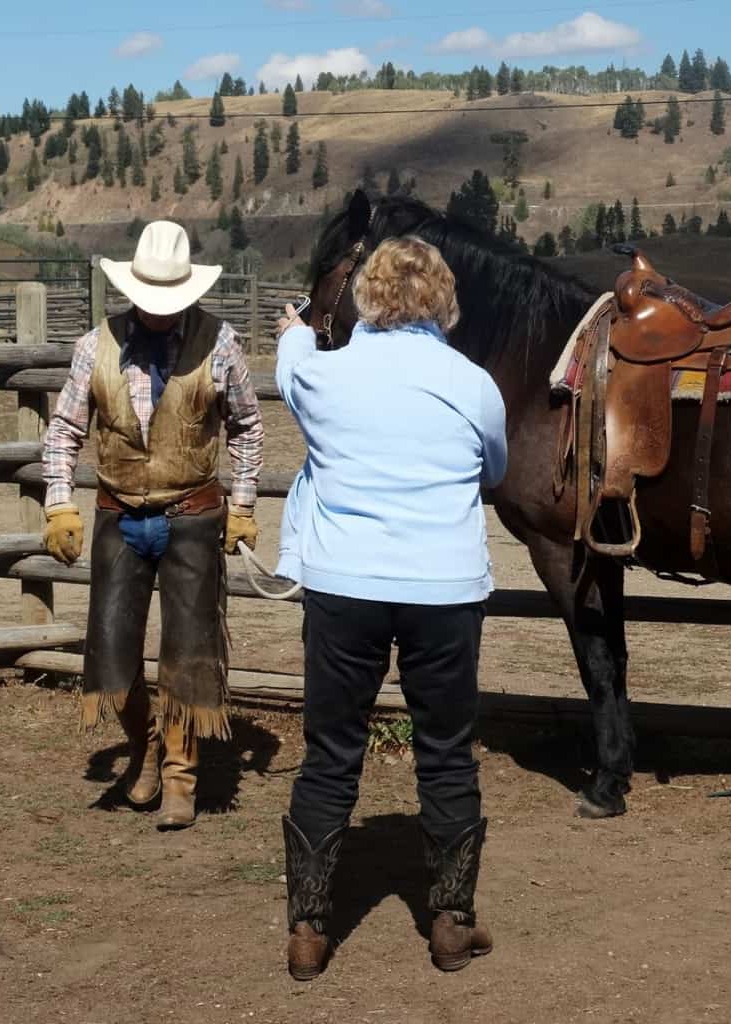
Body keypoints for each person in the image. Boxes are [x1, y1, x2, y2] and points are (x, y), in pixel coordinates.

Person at [273, 237, 507, 979]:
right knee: (446, 750)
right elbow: (493, 468)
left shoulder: (319, 374)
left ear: (364, 296)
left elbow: (291, 357)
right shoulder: (473, 384)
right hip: (444, 587)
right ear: (443, 299)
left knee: (330, 751)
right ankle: (451, 920)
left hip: (344, 583)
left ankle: (309, 928)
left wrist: (294, 331)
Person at [40, 221, 263, 831]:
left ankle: (180, 776)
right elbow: (64, 432)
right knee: (111, 652)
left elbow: (246, 427)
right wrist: (59, 504)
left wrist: (243, 504)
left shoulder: (220, 343)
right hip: (119, 512)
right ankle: (143, 745)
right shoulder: (96, 347)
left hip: (193, 512)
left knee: (189, 652)